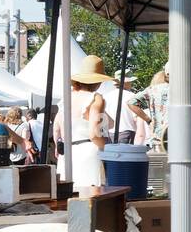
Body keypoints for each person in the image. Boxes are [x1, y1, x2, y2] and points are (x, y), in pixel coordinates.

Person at [64, 55, 115, 189]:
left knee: (69, 194)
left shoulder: (66, 98)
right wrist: (109, 150)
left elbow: (57, 130)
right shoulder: (95, 98)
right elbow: (94, 134)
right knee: (92, 194)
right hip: (89, 153)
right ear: (99, 81)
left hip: (68, 153)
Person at [99, 75, 150, 144]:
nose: (131, 84)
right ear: (125, 83)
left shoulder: (105, 97)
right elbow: (137, 119)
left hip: (108, 134)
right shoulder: (132, 97)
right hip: (127, 134)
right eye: (130, 82)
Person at [135, 69, 170, 146]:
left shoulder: (151, 91)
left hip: (155, 142)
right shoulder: (174, 92)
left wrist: (148, 120)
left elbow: (131, 102)